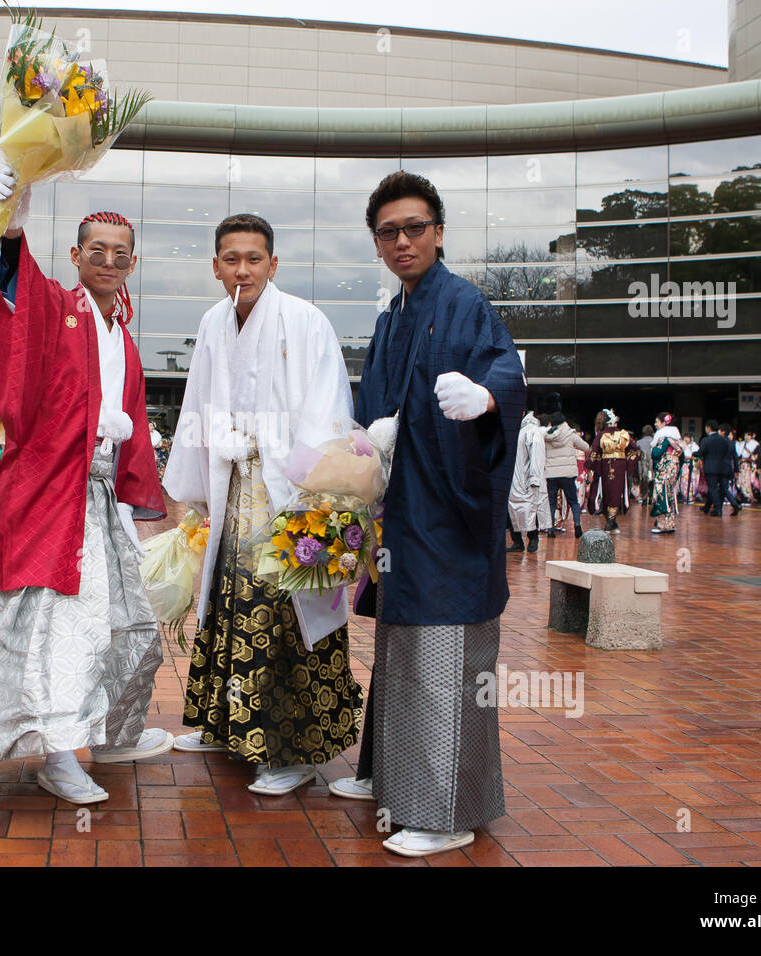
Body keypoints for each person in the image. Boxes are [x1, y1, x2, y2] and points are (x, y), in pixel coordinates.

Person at [0, 172, 173, 804]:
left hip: (98, 500)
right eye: (96, 250)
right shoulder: (58, 309)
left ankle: (114, 731)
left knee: (131, 623)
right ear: (75, 256)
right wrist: (13, 225)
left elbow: (131, 424)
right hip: (51, 496)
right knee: (63, 629)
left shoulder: (123, 334)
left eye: (121, 253)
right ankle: (60, 753)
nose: (108, 262)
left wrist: (128, 471)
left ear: (132, 262)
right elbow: (18, 297)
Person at [330, 171, 526, 858]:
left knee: (444, 651)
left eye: (415, 227)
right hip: (402, 512)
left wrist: (487, 399)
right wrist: (368, 440)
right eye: (389, 231)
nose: (403, 240)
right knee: (399, 646)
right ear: (377, 242)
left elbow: (507, 370)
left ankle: (447, 811)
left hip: (449, 515)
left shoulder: (466, 303)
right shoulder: (393, 317)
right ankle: (388, 774)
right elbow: (377, 409)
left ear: (439, 232)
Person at [163, 213, 363, 795]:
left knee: (283, 613)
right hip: (232, 487)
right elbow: (197, 402)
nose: (242, 270)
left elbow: (327, 405)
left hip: (291, 494)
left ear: (273, 265)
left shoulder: (304, 321)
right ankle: (229, 725)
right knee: (227, 603)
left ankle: (292, 748)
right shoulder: (211, 322)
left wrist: (316, 498)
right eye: (231, 259)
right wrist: (199, 490)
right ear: (216, 266)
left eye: (254, 259)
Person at [586, 408, 638, 533]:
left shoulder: (601, 435)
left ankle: (610, 521)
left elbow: (594, 452)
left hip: (605, 466)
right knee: (616, 492)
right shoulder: (624, 434)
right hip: (620, 466)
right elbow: (635, 450)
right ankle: (611, 521)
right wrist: (628, 463)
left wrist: (592, 466)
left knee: (607, 492)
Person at [507, 407, 551, 552]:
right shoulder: (514, 429)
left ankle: (533, 538)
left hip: (526, 479)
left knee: (530, 509)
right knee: (512, 512)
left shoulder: (532, 431)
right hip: (513, 479)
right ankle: (517, 541)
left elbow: (537, 456)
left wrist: (534, 477)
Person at [543, 411, 588, 538]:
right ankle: (577, 524)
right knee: (573, 501)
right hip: (567, 474)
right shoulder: (570, 434)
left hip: (551, 474)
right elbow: (585, 447)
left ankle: (551, 528)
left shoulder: (546, 435)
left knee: (551, 503)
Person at [649, 412, 683, 535]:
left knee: (661, 495)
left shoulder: (663, 437)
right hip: (673, 468)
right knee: (669, 495)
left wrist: (654, 448)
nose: (655, 424)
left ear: (664, 423)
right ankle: (670, 523)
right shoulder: (675, 438)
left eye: (657, 422)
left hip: (664, 469)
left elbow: (656, 454)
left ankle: (663, 525)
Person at [698, 420, 741, 517]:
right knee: (720, 488)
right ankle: (708, 506)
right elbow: (735, 456)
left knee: (718, 488)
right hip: (727, 468)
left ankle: (730, 505)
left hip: (716, 467)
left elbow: (703, 452)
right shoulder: (730, 442)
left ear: (723, 432)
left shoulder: (717, 441)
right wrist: (736, 470)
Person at [636, 424, 654, 507]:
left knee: (643, 481)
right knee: (652, 481)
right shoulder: (654, 441)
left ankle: (644, 499)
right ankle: (651, 497)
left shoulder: (639, 442)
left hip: (642, 465)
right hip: (652, 463)